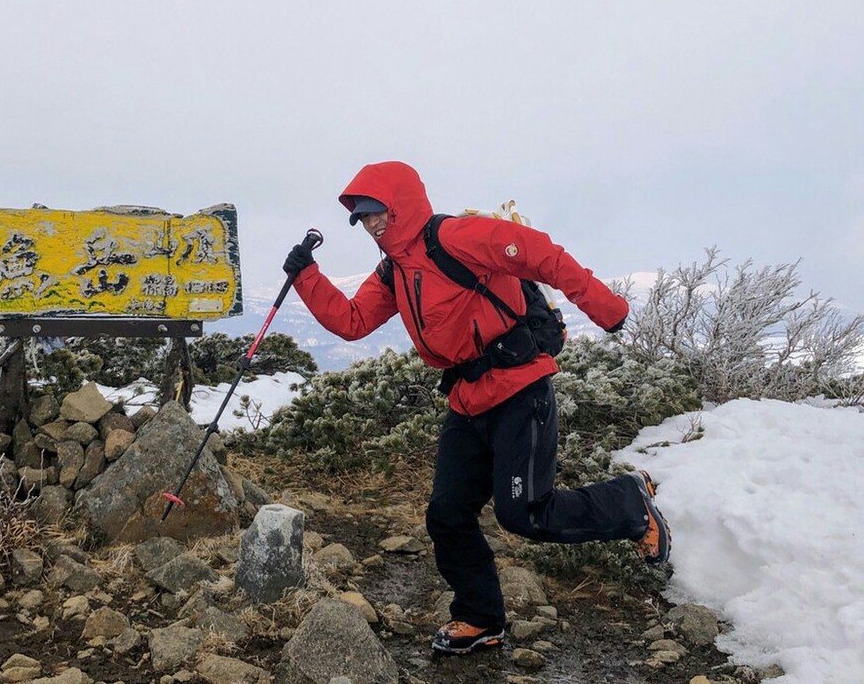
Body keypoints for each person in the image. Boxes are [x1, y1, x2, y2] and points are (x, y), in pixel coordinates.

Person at [283, 160, 670, 655]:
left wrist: (607, 308)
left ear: (401, 203)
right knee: (447, 514)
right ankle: (480, 617)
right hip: (467, 401)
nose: (370, 223)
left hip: (518, 390)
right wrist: (307, 277)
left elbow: (542, 255)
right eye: (361, 216)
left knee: (526, 514)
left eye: (376, 210)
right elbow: (354, 321)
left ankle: (628, 502)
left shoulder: (457, 237)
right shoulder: (394, 272)